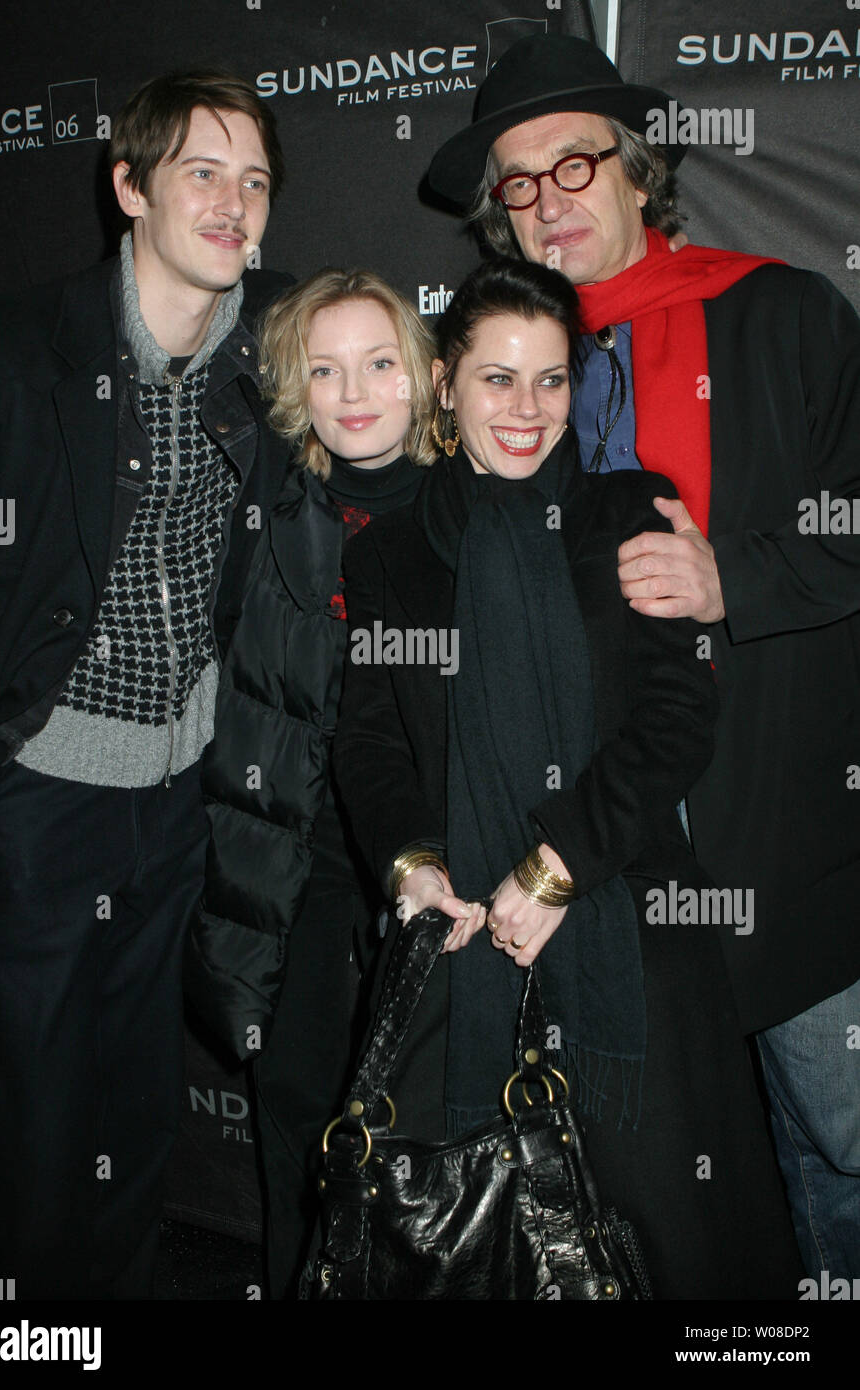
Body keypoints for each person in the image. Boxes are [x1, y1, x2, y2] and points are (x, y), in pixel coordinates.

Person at [426, 31, 860, 1285]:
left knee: (838, 1143)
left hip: (782, 838)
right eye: (517, 182)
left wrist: (742, 574)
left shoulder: (778, 314)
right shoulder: (514, 384)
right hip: (597, 858)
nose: (548, 199)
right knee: (681, 1181)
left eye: (574, 165)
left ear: (634, 169)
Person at [332, 256, 800, 1299]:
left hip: (625, 933)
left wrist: (554, 868)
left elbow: (676, 719)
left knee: (675, 1245)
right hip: (460, 947)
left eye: (551, 379)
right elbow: (370, 744)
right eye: (496, 378)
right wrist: (410, 867)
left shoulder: (632, 512)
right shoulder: (392, 559)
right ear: (445, 383)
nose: (526, 408)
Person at [0, 70, 292, 1298]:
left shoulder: (281, 351)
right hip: (35, 799)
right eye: (203, 172)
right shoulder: (3, 354)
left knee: (138, 1102)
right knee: (33, 1116)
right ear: (129, 187)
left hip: (182, 795)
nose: (233, 203)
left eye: (253, 181)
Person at [184, 268, 437, 1298]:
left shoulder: (472, 510)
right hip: (287, 843)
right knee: (292, 1097)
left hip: (425, 848)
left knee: (421, 1098)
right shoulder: (262, 508)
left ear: (423, 377)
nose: (355, 389)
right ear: (294, 385)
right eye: (323, 367)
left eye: (379, 361)